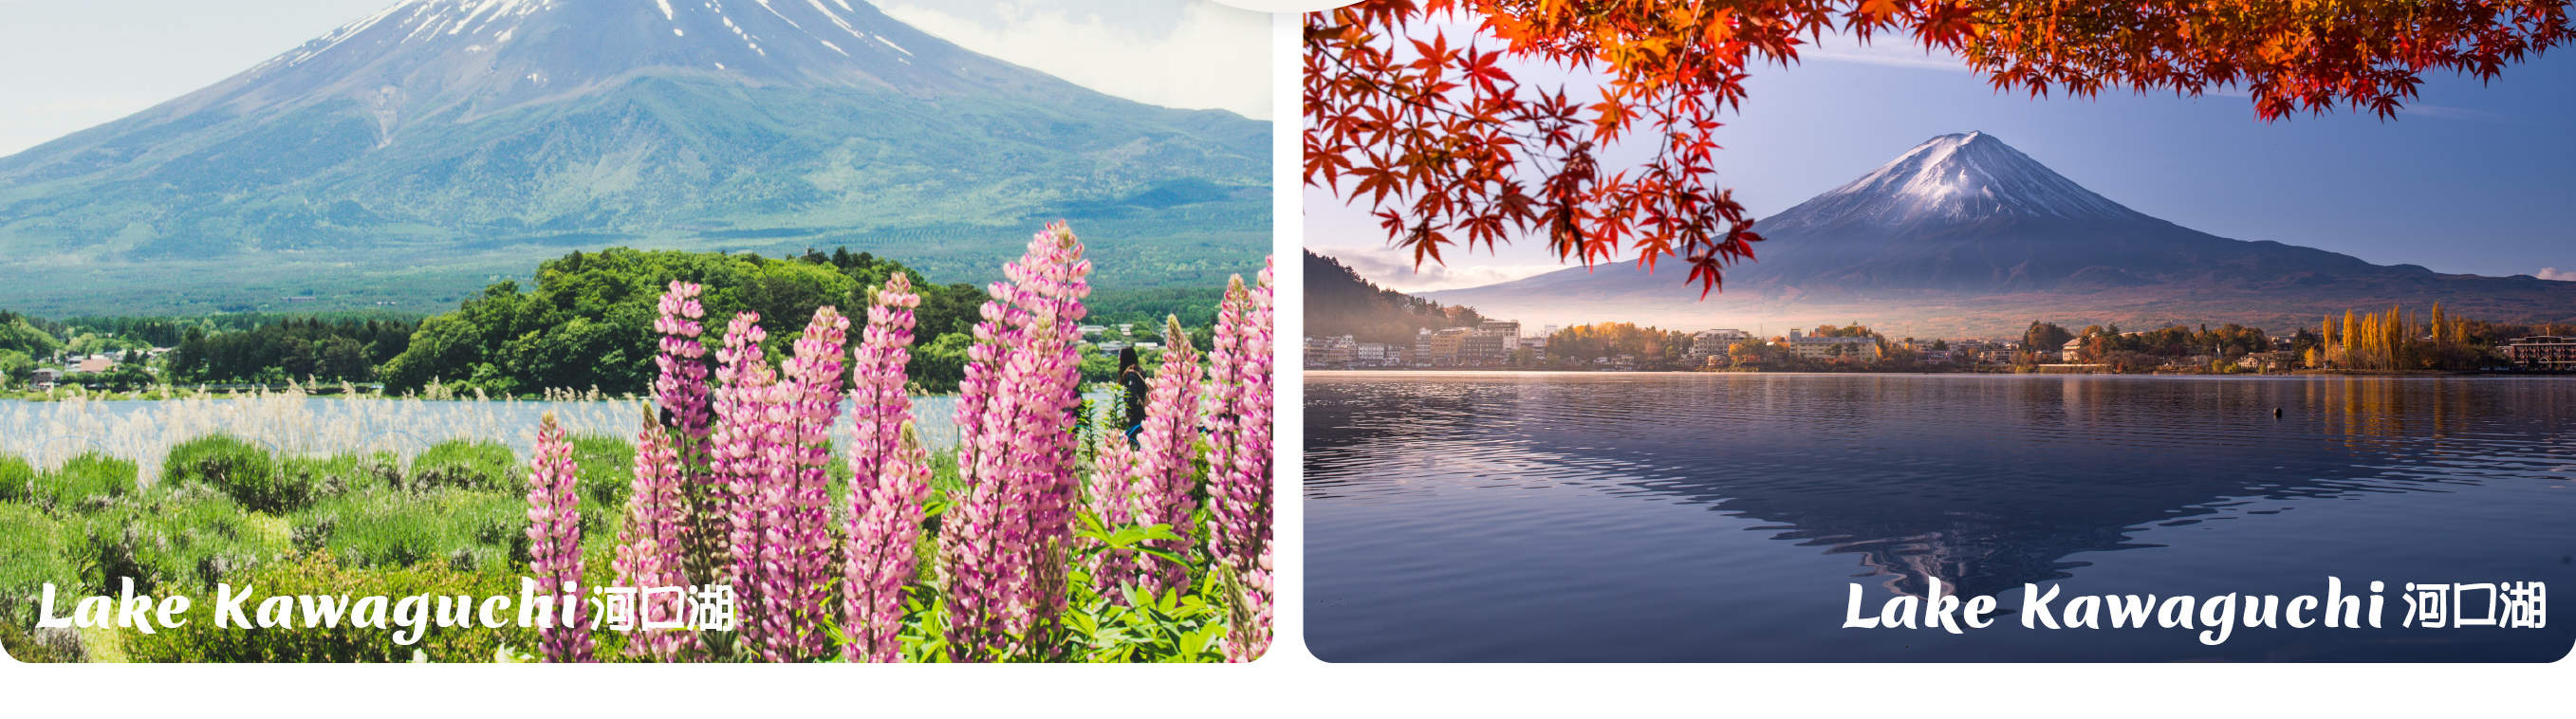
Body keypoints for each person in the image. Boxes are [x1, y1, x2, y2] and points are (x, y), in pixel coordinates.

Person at [1119, 346, 1148, 446]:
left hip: (1136, 415)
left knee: (1133, 443)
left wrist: (1129, 409)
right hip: (1145, 413)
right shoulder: (1141, 372)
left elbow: (1131, 393)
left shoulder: (1130, 374)